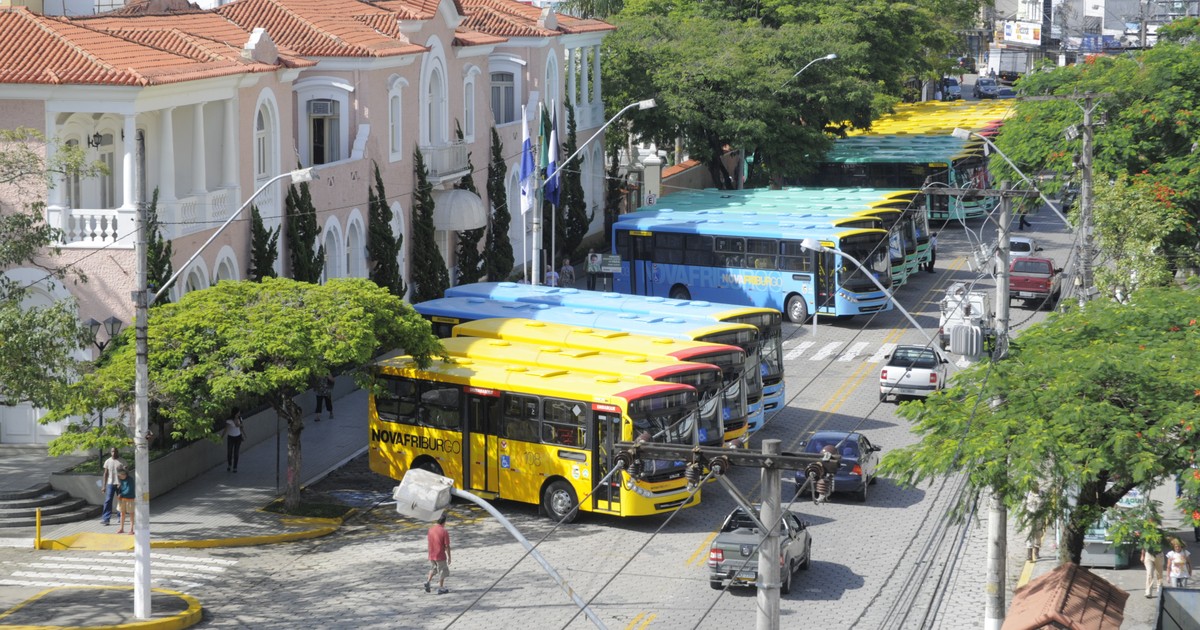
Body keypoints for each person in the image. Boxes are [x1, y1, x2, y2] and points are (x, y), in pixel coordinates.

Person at [424, 514, 452, 594]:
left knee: (433, 569)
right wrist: (449, 557)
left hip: (431, 554)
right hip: (440, 554)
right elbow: (447, 546)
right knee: (442, 570)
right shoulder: (444, 531)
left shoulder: (431, 529)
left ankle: (428, 582)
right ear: (444, 522)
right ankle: (441, 588)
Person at [100, 448, 124, 526]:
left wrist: (122, 482)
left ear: (117, 452)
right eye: (112, 451)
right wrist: (104, 486)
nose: (114, 453)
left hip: (119, 484)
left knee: (121, 500)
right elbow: (105, 474)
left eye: (115, 451)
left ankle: (121, 517)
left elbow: (126, 473)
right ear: (110, 452)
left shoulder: (122, 461)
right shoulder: (107, 461)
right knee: (108, 500)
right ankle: (106, 519)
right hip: (110, 484)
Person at [1024, 485, 1044, 561]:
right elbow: (1023, 505)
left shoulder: (1042, 494)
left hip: (1039, 518)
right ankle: (1029, 555)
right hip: (1029, 518)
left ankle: (1036, 552)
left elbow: (1045, 506)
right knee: (1029, 534)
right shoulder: (1027, 494)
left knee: (1038, 535)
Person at [222, 407, 245, 472]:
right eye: (238, 412)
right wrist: (221, 437)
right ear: (235, 412)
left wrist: (242, 435)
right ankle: (229, 464)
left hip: (238, 437)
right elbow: (225, 429)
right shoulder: (229, 420)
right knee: (229, 452)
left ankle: (235, 467)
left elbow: (241, 427)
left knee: (236, 453)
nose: (239, 413)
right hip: (231, 437)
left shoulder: (240, 418)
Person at [115, 468, 135, 534]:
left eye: (120, 475)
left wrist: (121, 494)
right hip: (122, 499)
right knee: (122, 514)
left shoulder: (130, 480)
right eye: (119, 475)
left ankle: (131, 529)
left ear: (124, 474)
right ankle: (121, 529)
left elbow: (129, 489)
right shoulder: (121, 480)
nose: (119, 477)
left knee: (131, 514)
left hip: (129, 499)